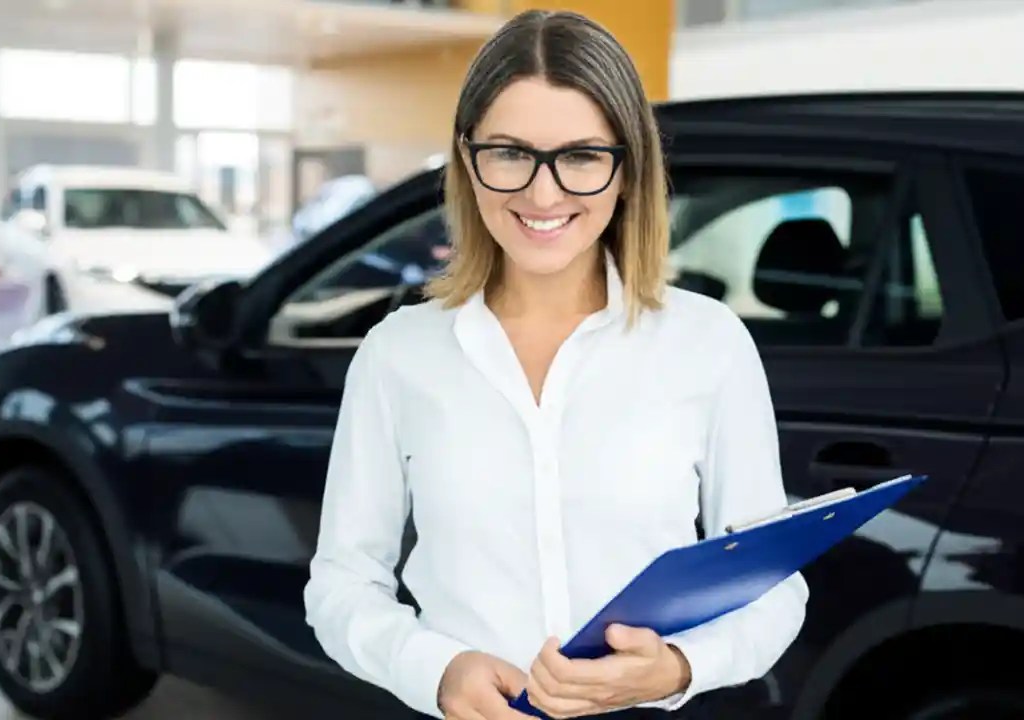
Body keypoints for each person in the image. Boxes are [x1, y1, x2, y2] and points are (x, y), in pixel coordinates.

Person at [303, 9, 809, 720]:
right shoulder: (399, 354)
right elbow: (340, 582)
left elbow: (774, 586)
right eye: (510, 153)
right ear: (467, 161)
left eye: (580, 156)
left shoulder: (709, 344)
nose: (543, 194)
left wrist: (676, 668)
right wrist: (436, 669)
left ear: (627, 169)